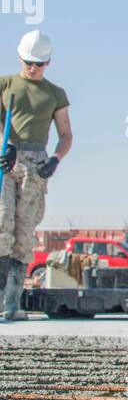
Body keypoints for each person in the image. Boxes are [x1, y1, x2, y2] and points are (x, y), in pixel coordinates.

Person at [0, 31, 72, 321]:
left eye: (39, 64)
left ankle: (12, 303)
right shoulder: (6, 84)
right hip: (6, 161)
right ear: (20, 58)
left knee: (24, 233)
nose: (33, 68)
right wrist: (8, 147)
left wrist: (56, 159)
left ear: (48, 63)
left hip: (36, 165)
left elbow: (66, 134)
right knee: (2, 224)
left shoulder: (55, 94)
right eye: (29, 62)